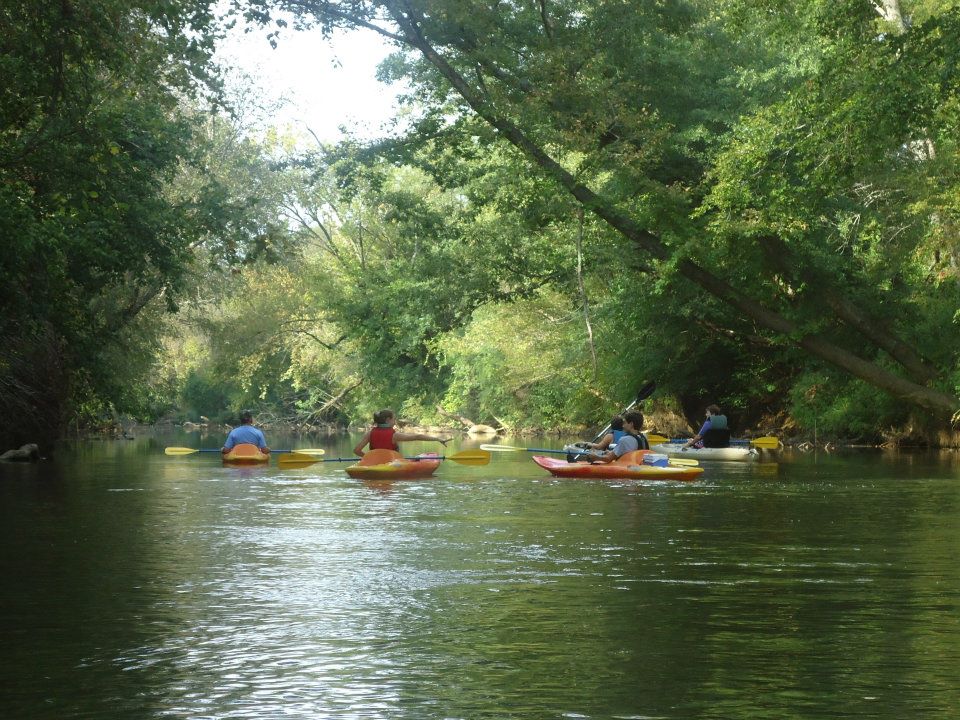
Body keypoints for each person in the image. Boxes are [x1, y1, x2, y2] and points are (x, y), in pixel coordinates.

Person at [353, 409, 451, 456]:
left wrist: (369, 458)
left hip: (374, 464)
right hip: (392, 464)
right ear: (388, 420)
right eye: (394, 419)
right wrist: (438, 439)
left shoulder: (369, 434)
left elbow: (357, 451)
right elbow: (417, 436)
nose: (395, 421)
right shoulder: (394, 435)